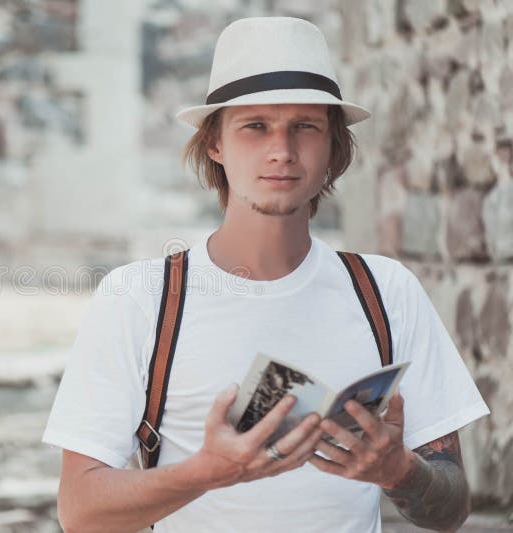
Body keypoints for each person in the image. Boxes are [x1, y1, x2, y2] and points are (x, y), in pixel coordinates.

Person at [42, 16, 490, 533]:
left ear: (333, 148)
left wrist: (400, 471)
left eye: (306, 126)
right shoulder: (140, 298)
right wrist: (205, 473)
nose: (282, 149)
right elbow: (79, 511)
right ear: (215, 144)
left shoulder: (387, 292)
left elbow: (453, 507)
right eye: (255, 126)